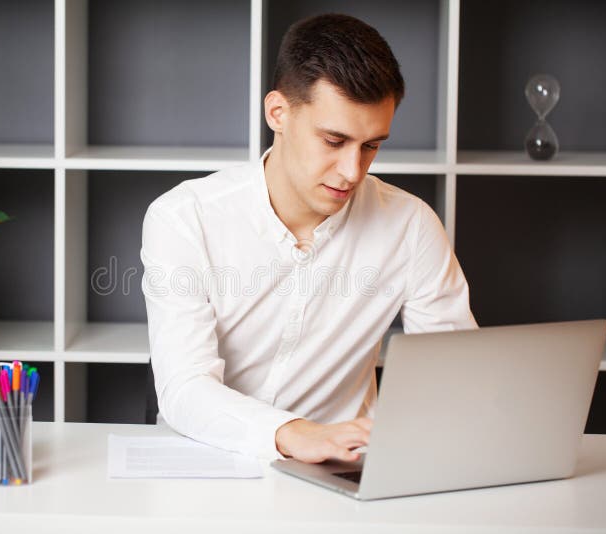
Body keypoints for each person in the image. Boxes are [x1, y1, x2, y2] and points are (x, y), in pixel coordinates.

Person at [140, 13, 477, 463]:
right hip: (210, 458)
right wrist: (295, 434)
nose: (352, 171)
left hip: (347, 467)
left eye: (371, 145)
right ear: (278, 113)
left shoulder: (411, 225)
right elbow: (184, 389)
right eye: (334, 141)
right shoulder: (184, 218)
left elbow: (454, 376)